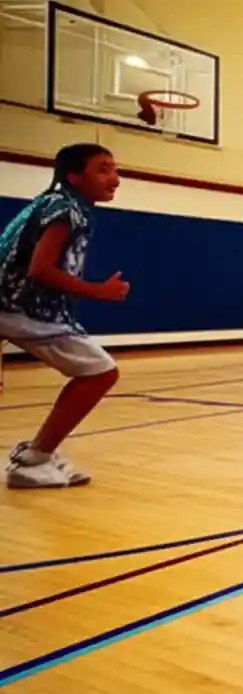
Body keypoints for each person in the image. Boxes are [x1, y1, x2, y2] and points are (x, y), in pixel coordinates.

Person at [0, 143, 130, 489]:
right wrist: (97, 291)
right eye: (103, 169)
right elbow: (39, 270)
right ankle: (33, 461)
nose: (115, 178)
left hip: (15, 304)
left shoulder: (53, 203)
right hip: (18, 307)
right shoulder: (65, 210)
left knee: (96, 372)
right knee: (100, 373)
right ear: (74, 176)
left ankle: (37, 455)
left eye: (115, 169)